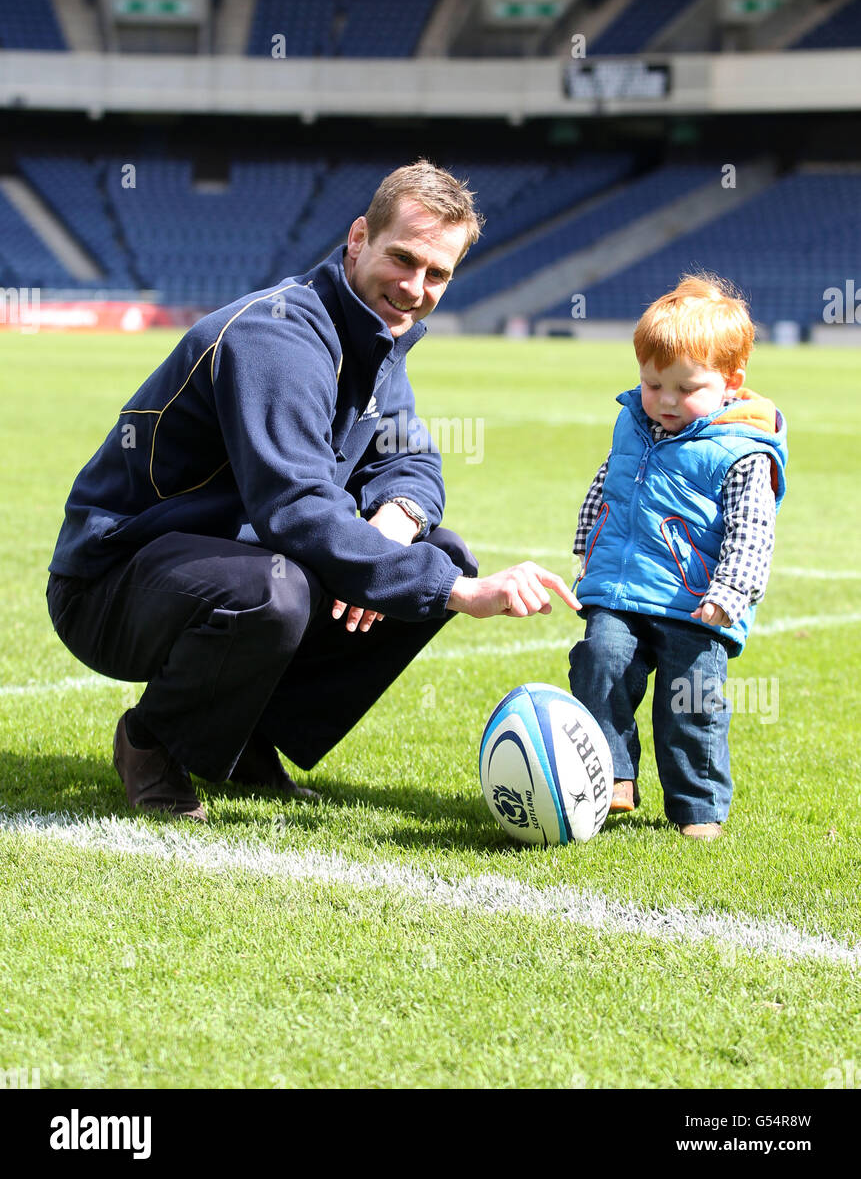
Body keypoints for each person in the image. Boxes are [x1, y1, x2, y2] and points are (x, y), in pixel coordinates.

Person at [47, 160, 578, 822]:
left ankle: (245, 740)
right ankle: (152, 741)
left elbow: (410, 460)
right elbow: (294, 507)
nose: (414, 288)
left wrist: (392, 526)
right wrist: (450, 592)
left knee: (438, 549)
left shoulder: (376, 336)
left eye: (436, 273)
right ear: (358, 238)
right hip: (112, 582)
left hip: (223, 560)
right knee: (284, 587)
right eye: (402, 259)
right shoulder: (278, 336)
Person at [568, 274, 787, 840]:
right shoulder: (632, 422)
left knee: (691, 706)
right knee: (599, 660)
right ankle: (611, 774)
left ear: (731, 383)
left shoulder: (741, 451)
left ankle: (698, 808)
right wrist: (585, 551)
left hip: (696, 604)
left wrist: (731, 593)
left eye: (685, 390)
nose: (665, 402)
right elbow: (608, 485)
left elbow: (752, 530)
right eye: (651, 384)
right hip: (619, 590)